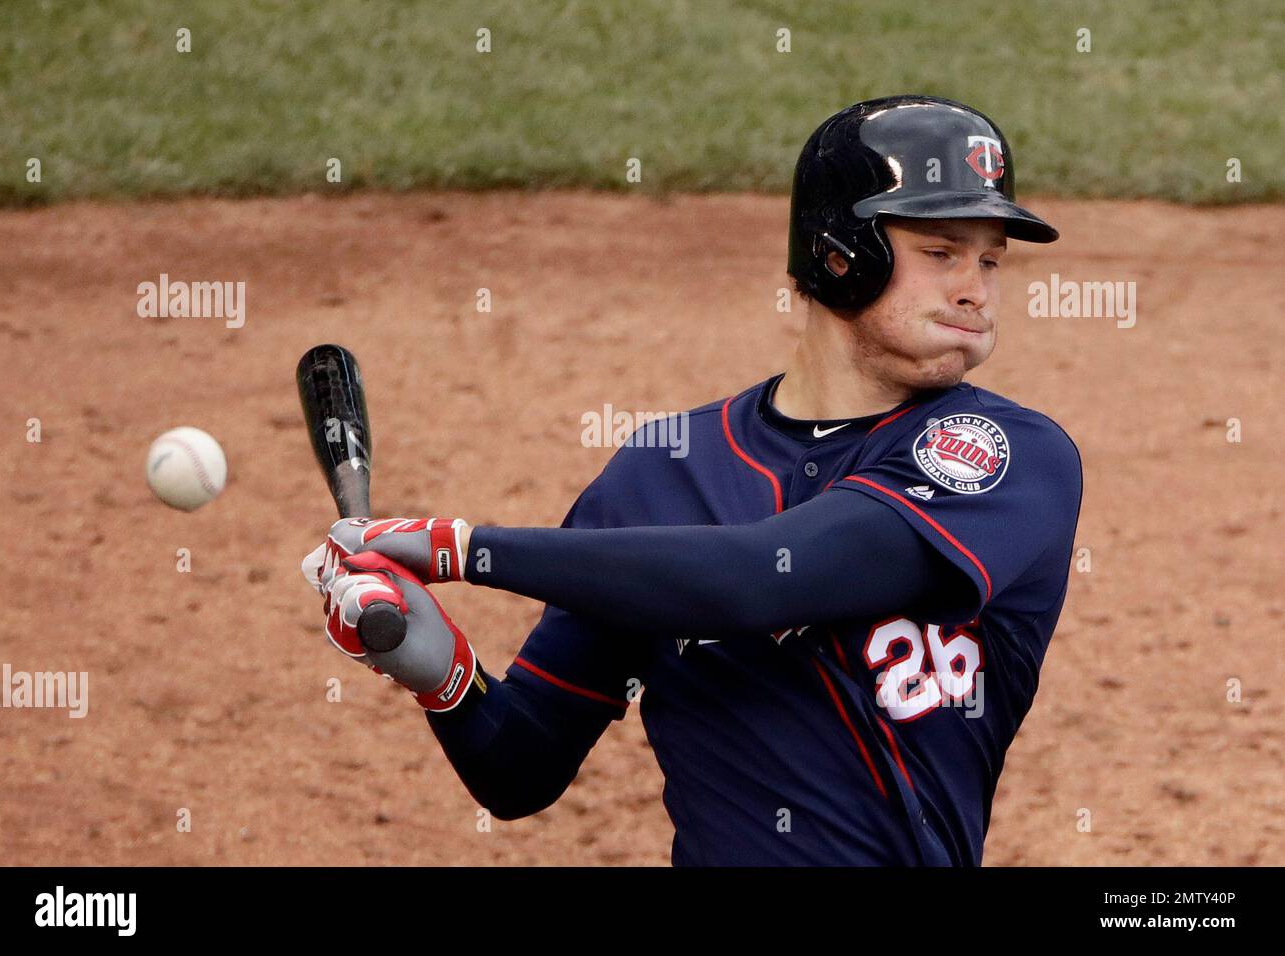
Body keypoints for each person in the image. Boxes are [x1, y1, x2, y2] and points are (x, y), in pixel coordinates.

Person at [301, 95, 1083, 866]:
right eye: (942, 253)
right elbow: (520, 770)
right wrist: (438, 669)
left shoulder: (1006, 454)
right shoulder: (660, 472)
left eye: (990, 260)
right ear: (839, 254)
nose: (976, 289)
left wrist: (461, 550)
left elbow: (762, 578)